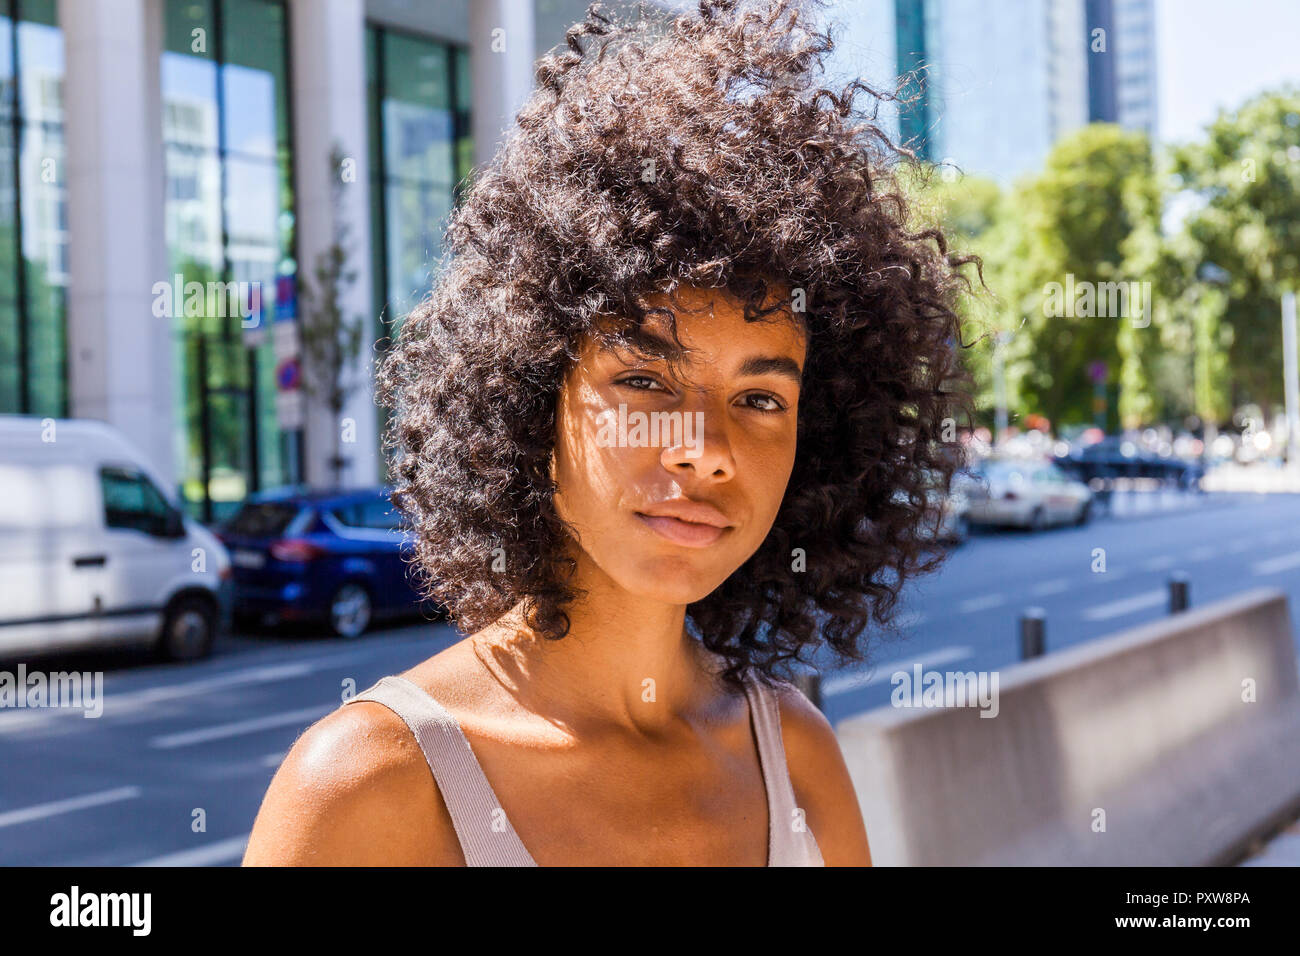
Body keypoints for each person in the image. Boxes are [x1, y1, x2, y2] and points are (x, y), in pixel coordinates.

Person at [243, 0, 972, 867]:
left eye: (762, 399)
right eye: (644, 379)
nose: (705, 446)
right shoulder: (368, 787)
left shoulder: (797, 756)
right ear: (528, 404)